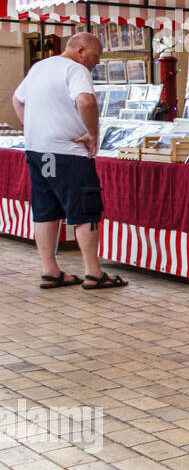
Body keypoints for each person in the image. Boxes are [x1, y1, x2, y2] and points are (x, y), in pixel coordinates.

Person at [11, 31, 127, 290]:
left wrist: (31, 126)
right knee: (85, 210)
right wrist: (92, 134)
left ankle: (49, 270)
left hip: (39, 151)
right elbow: (85, 101)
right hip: (68, 153)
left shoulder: (39, 67)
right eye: (95, 56)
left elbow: (17, 100)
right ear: (80, 51)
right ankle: (93, 272)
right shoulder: (75, 69)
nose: (96, 63)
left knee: (45, 211)